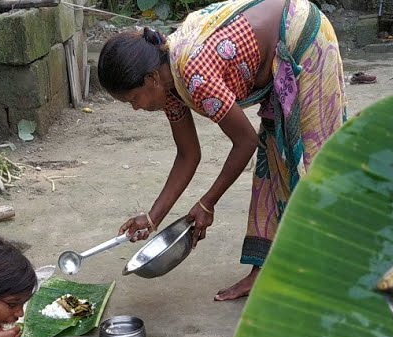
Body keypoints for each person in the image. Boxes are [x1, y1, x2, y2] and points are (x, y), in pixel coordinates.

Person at [97, 0, 346, 301]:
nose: (136, 108)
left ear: (151, 79)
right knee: (272, 159)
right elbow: (188, 154)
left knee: (315, 159)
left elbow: (245, 142)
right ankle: (265, 271)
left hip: (302, 35)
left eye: (133, 99)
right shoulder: (167, 83)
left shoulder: (194, 75)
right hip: (273, 52)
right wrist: (152, 218)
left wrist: (207, 203)